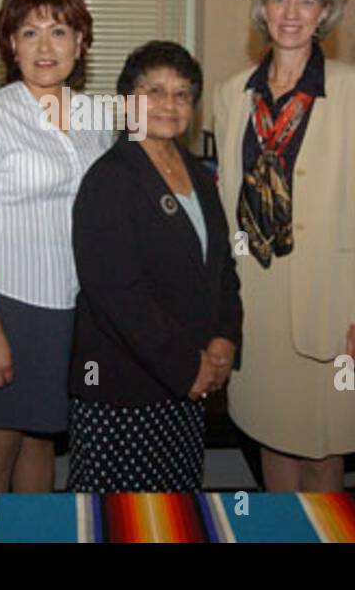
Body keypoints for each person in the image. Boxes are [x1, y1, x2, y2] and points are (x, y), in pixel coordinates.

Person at [214, 0, 355, 492]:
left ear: (325, 13)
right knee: (270, 438)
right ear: (262, 10)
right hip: (256, 300)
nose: (291, 12)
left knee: (323, 449)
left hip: (332, 302)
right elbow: (228, 206)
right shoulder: (231, 94)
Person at [0, 0, 111, 492]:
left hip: (70, 308)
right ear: (10, 45)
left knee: (43, 440)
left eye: (59, 31)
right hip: (4, 306)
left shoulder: (97, 118)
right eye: (29, 32)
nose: (45, 46)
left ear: (80, 42)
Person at [68, 41, 242, 492]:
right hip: (126, 387)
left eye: (182, 94)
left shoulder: (199, 174)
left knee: (175, 514)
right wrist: (186, 365)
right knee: (120, 520)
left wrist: (225, 336)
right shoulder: (110, 179)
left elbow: (222, 267)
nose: (169, 103)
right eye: (155, 91)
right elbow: (117, 294)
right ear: (129, 102)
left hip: (187, 384)